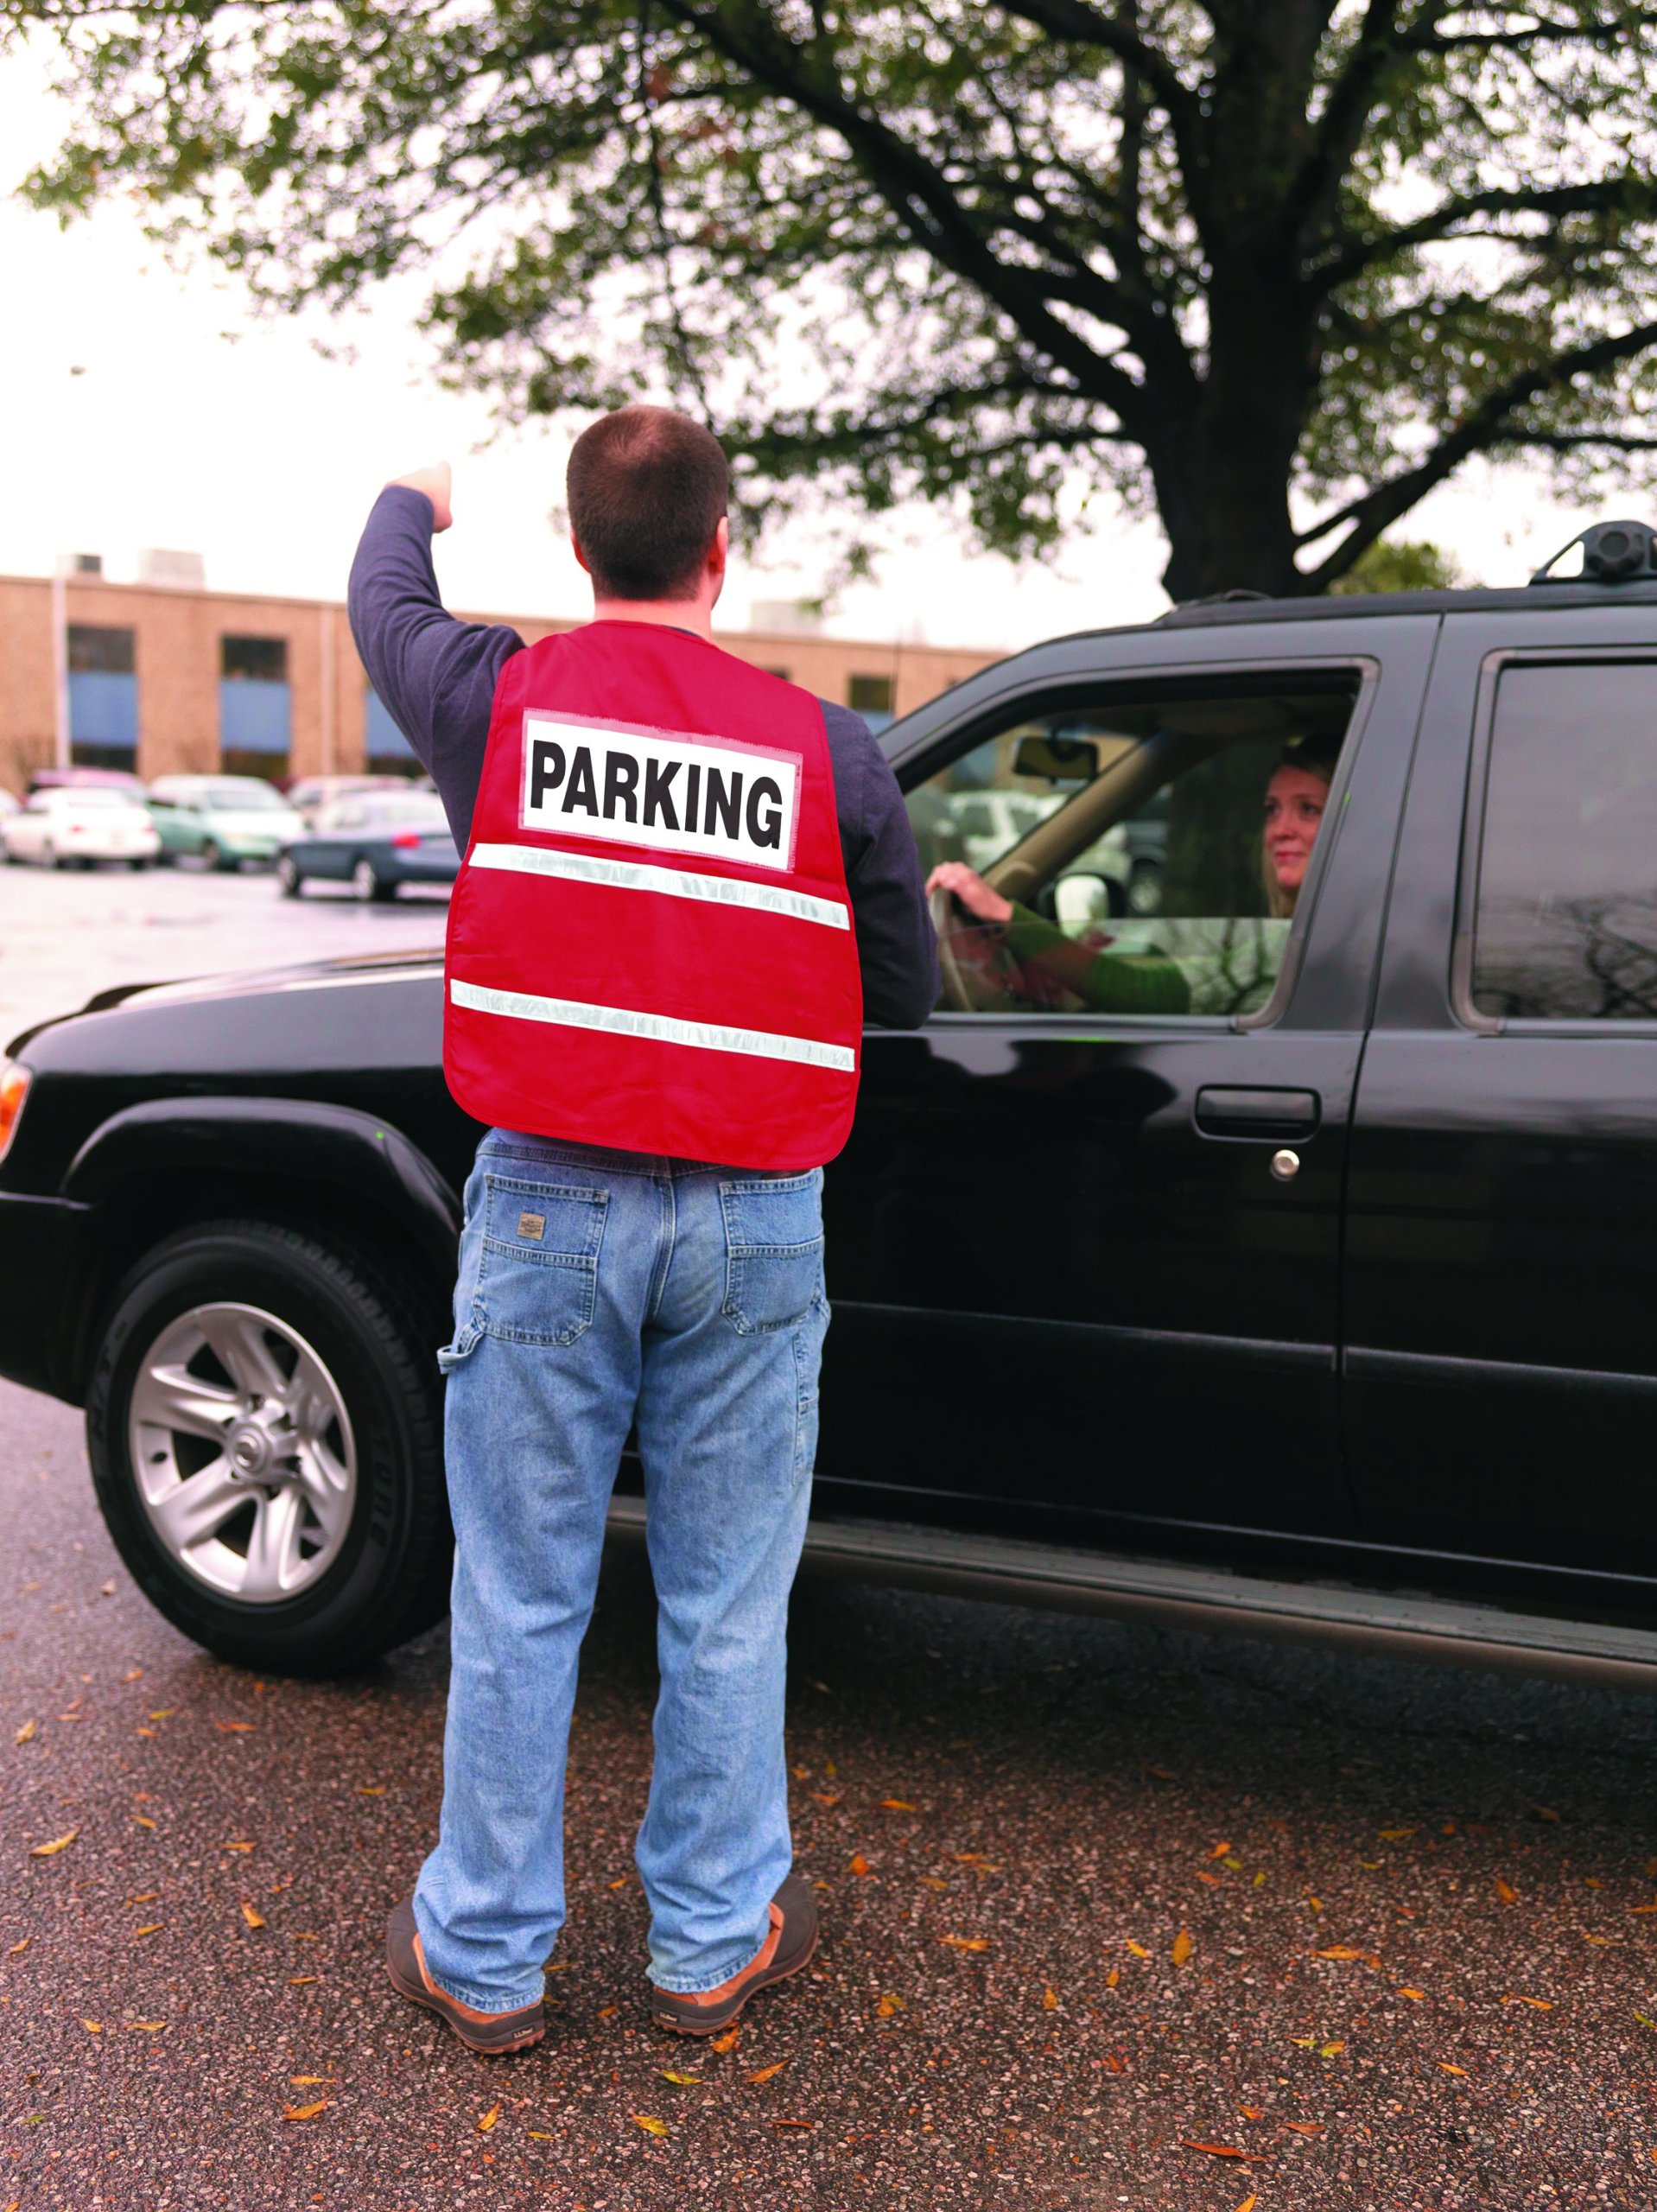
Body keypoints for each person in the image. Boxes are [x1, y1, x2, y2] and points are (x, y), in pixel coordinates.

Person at [348, 407, 936, 2056]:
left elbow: (383, 599)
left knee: (522, 1595)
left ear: (577, 545)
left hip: (542, 1204)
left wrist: (412, 487)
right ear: (722, 553)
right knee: (727, 1599)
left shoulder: (494, 703)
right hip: (757, 1215)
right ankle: (702, 1945)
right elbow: (893, 994)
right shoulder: (828, 755)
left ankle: (481, 1959)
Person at [924, 737, 1336, 1015]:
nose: (1280, 829)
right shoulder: (1319, 937)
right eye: (1272, 809)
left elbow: (1145, 991)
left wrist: (1001, 913)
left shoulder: (1307, 948)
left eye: (1308, 810)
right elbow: (1200, 963)